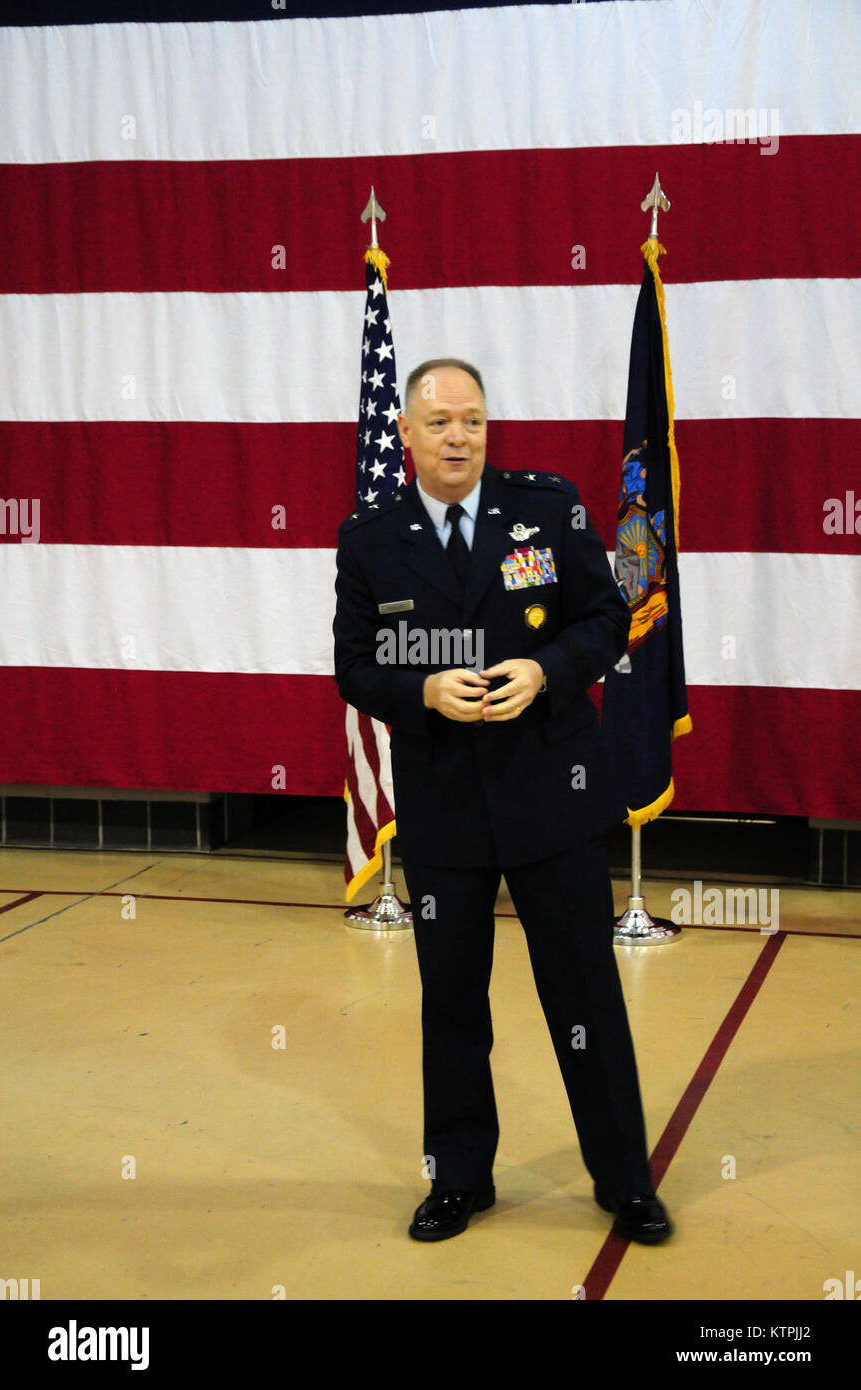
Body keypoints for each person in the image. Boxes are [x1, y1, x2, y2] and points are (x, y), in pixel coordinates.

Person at [333, 358, 672, 1245]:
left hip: (551, 799)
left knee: (585, 998)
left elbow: (606, 618)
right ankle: (458, 1180)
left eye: (473, 421)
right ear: (404, 434)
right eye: (439, 422)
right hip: (444, 808)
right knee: (451, 1002)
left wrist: (546, 669)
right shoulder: (370, 537)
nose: (457, 437)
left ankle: (623, 1179)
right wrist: (421, 694)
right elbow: (355, 667)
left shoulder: (548, 506)